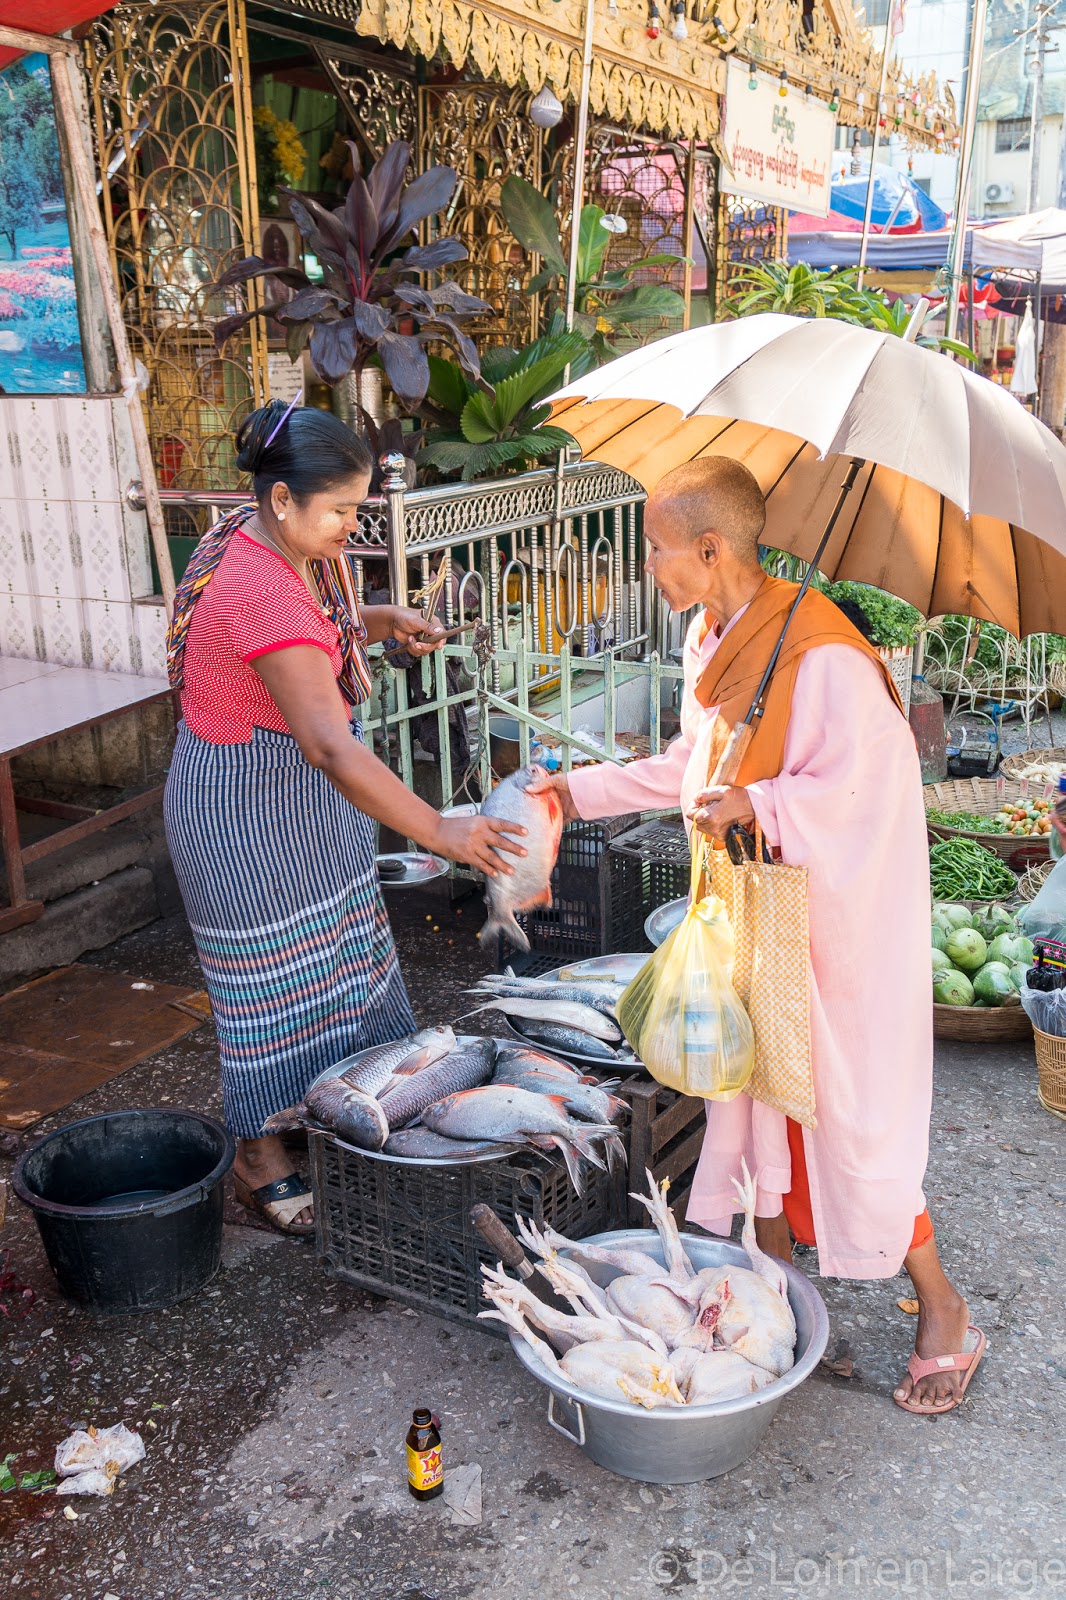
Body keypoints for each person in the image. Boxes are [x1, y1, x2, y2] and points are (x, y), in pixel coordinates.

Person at [530, 457, 983, 1416]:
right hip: (746, 913)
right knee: (754, 1108)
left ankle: (943, 1308)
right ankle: (779, 1305)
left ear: (711, 548)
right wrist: (575, 790)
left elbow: (872, 791)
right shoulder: (714, 637)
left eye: (656, 549)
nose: (647, 566)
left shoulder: (822, 653)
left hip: (828, 929)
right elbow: (689, 769)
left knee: (845, 1114)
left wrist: (765, 801)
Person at [164, 401, 525, 1236]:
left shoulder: (264, 538)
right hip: (247, 813)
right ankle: (258, 1158)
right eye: (340, 510)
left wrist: (379, 621)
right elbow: (329, 744)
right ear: (281, 498)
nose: (351, 527)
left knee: (336, 972)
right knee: (266, 996)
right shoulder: (255, 584)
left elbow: (311, 636)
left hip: (300, 806)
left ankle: (336, 1113)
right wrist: (440, 830)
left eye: (358, 508)